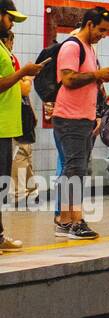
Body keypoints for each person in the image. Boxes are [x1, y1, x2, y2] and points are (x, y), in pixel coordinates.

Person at [53, 6, 109, 240]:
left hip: (83, 118)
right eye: (101, 29)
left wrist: (96, 115)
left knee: (76, 169)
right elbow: (68, 79)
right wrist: (97, 75)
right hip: (69, 118)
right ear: (89, 24)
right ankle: (73, 221)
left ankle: (66, 220)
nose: (104, 34)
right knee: (74, 170)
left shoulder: (89, 48)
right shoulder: (72, 46)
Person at [0, 0, 45, 250]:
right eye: (9, 19)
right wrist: (22, 73)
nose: (12, 26)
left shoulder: (3, 47)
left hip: (6, 125)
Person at [2, 29, 39, 206]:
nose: (12, 45)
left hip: (18, 113)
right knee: (21, 154)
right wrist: (28, 78)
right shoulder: (10, 59)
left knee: (24, 154)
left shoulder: (11, 58)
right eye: (11, 41)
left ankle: (29, 191)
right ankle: (20, 193)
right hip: (11, 116)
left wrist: (32, 111)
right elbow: (22, 90)